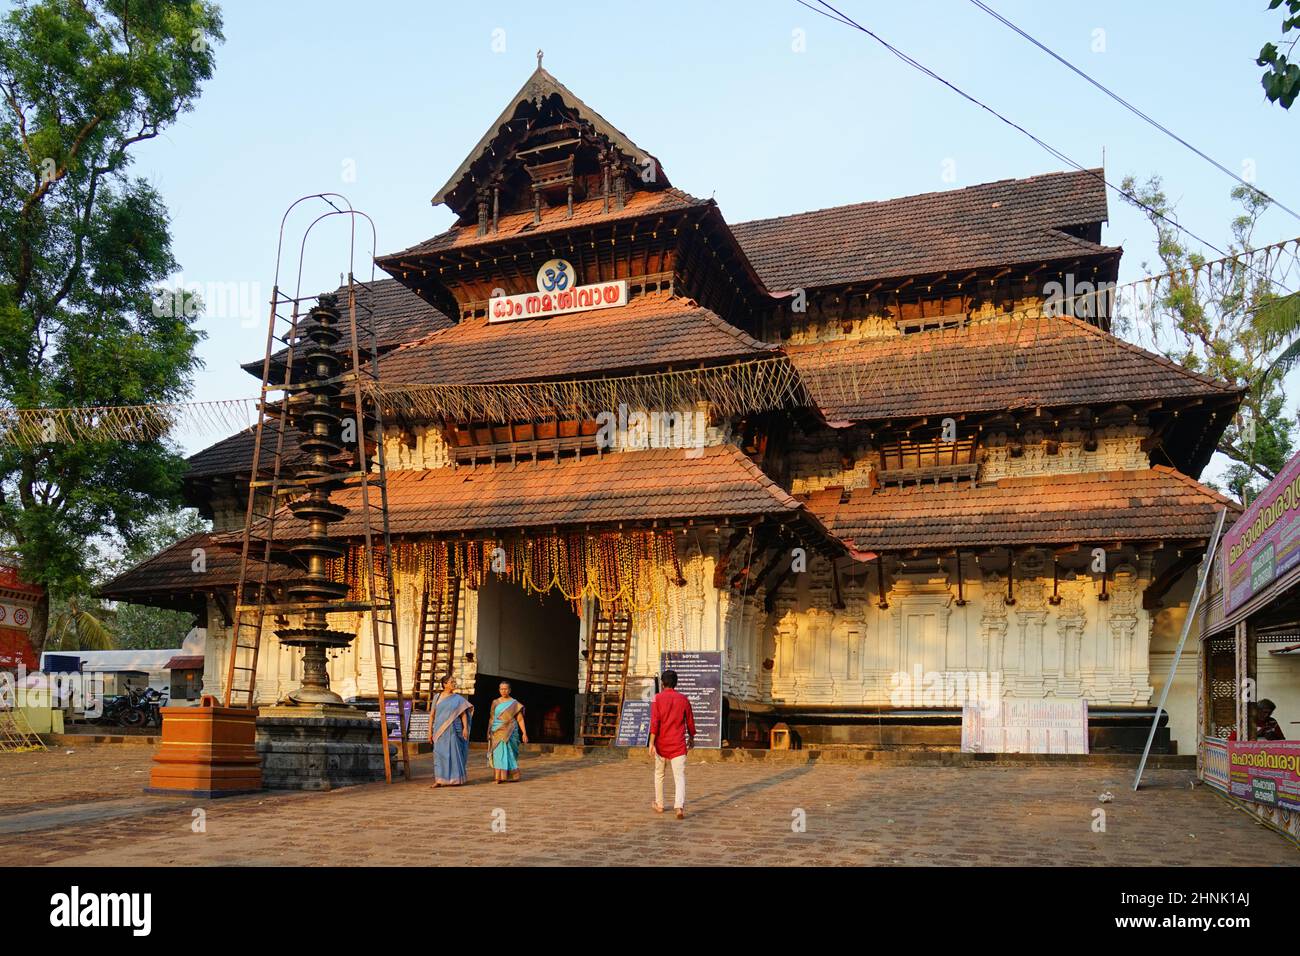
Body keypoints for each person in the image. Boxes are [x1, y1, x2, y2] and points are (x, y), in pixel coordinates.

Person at [648, 669, 695, 820]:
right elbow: (690, 721)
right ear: (676, 683)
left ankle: (660, 804)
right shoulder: (683, 699)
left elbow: (655, 722)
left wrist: (651, 743)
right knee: (679, 776)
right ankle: (679, 807)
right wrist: (692, 737)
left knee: (659, 774)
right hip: (678, 744)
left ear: (662, 683)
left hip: (662, 744)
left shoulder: (657, 698)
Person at [430, 675, 473, 787]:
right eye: (451, 682)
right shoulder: (437, 697)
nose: (454, 683)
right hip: (439, 730)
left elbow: (463, 714)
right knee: (439, 755)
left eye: (454, 681)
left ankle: (456, 779)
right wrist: (429, 731)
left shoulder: (457, 698)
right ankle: (439, 780)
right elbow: (432, 715)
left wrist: (465, 728)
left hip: (453, 730)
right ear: (444, 684)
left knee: (453, 754)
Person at [488, 681, 528, 783]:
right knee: (498, 753)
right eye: (501, 689)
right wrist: (489, 730)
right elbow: (492, 718)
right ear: (499, 690)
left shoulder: (515, 704)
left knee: (509, 752)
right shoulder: (495, 702)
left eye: (505, 689)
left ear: (509, 690)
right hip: (496, 731)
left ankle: (512, 776)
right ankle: (498, 777)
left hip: (510, 730)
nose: (503, 691)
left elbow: (520, 719)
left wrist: (524, 733)